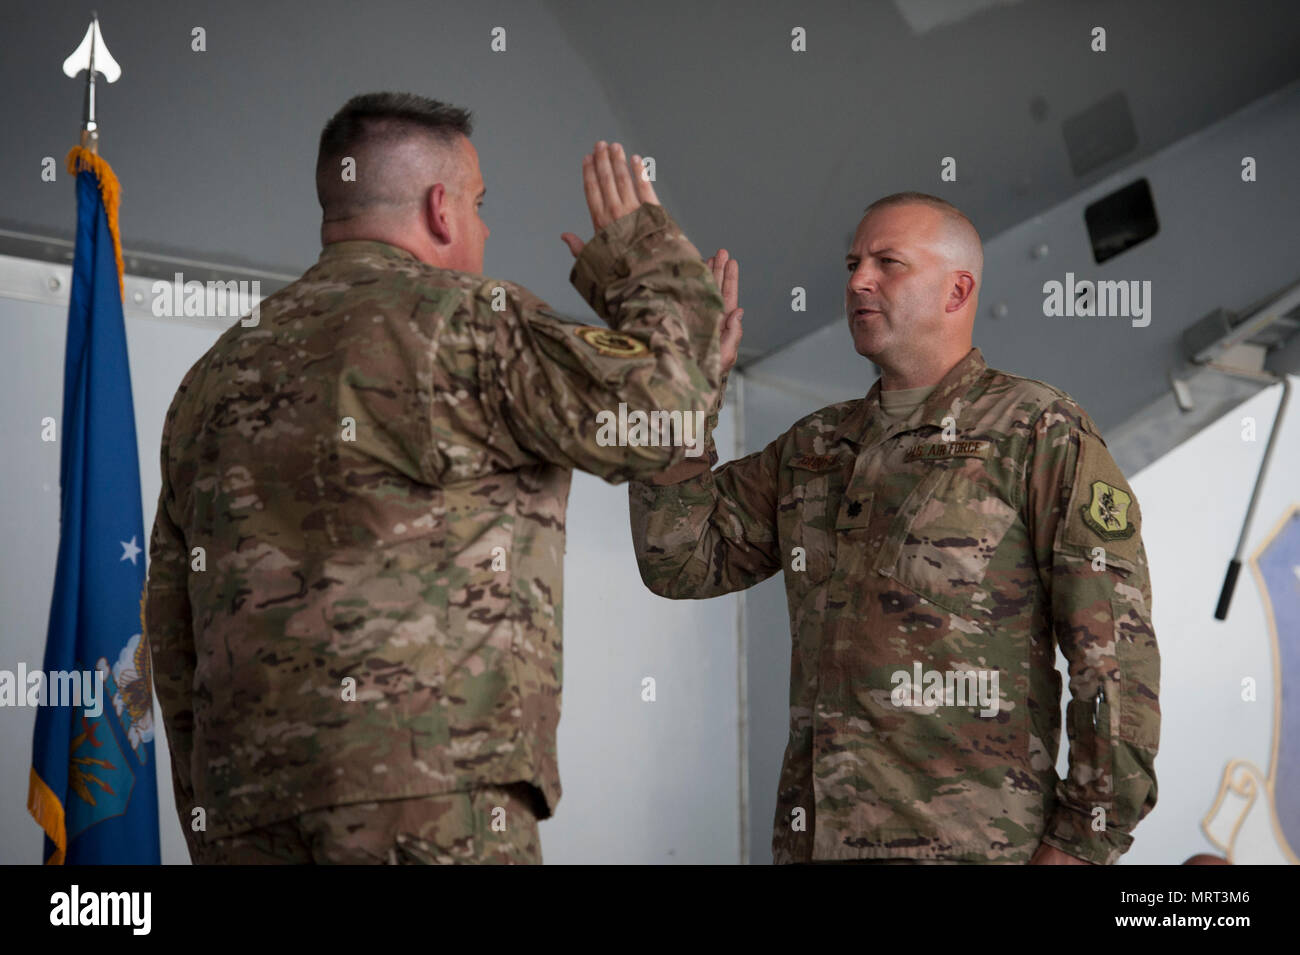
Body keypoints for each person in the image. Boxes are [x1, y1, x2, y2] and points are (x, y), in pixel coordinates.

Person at [145, 91, 725, 864]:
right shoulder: (468, 322)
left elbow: (171, 625)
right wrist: (644, 260)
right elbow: (667, 418)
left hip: (243, 816)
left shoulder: (209, 379)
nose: (484, 228)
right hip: (429, 807)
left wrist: (207, 812)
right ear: (441, 209)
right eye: (480, 205)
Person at [630, 192, 1161, 864]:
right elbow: (680, 560)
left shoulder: (1039, 432)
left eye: (889, 262)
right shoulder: (814, 448)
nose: (857, 281)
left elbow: (1114, 658)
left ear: (957, 289)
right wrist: (682, 387)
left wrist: (1083, 844)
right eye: (854, 263)